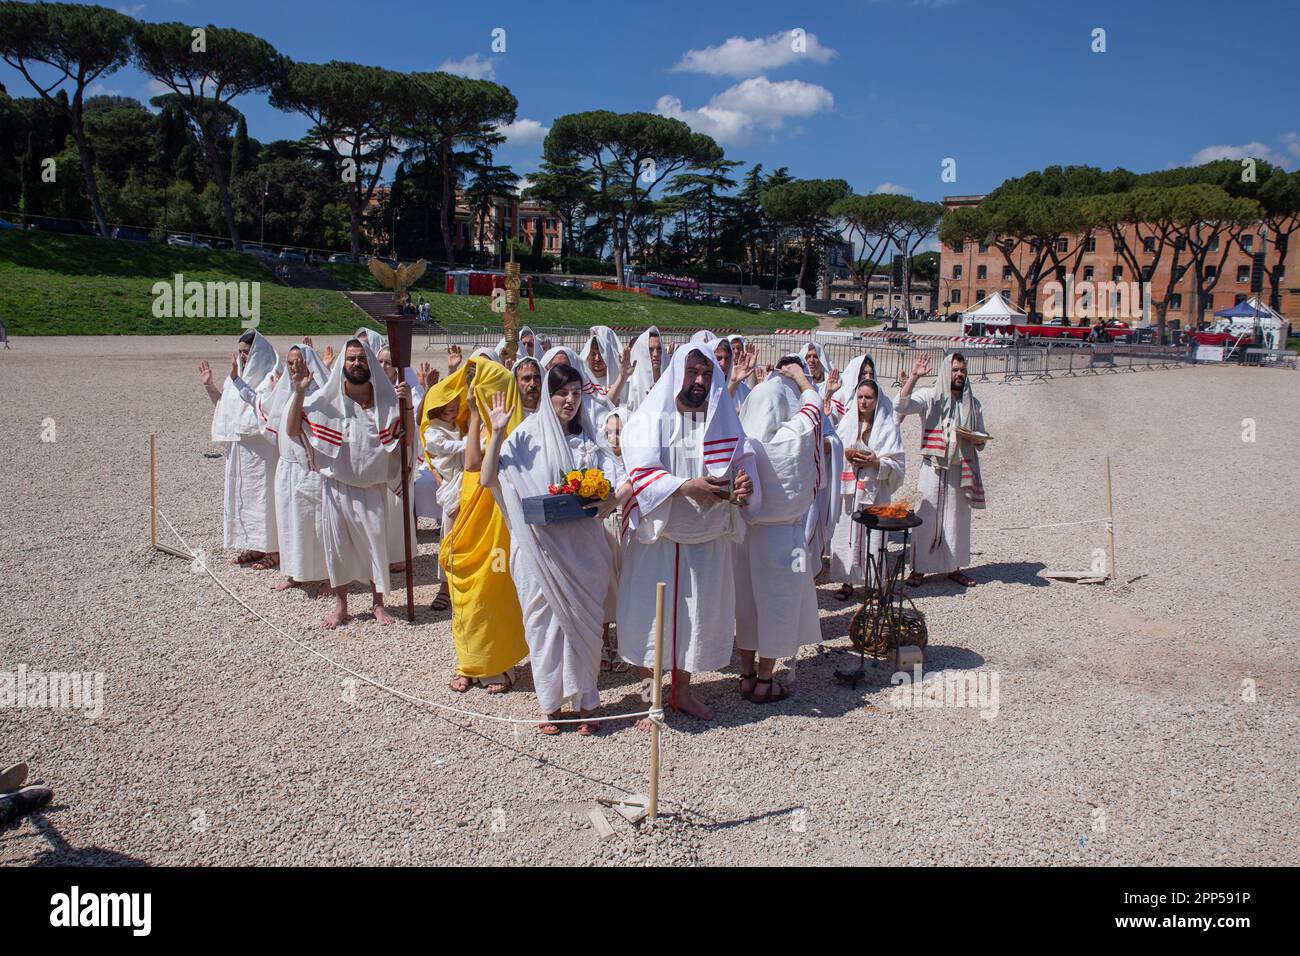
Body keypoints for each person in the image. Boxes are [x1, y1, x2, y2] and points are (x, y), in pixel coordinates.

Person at [480, 363, 629, 735]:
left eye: (576, 393)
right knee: (544, 627)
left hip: (582, 550)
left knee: (585, 623)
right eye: (563, 393)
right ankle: (551, 706)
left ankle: (587, 702)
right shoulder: (524, 436)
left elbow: (624, 478)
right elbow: (487, 479)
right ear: (549, 395)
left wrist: (611, 500)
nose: (570, 401)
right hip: (537, 551)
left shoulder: (587, 440)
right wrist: (497, 432)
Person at [616, 344, 758, 724]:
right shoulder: (654, 415)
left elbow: (742, 461)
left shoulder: (721, 416)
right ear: (680, 370)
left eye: (707, 373)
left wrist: (744, 486)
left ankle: (682, 693)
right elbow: (639, 468)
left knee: (694, 620)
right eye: (693, 371)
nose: (699, 380)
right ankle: (650, 697)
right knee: (651, 620)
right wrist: (684, 486)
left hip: (706, 536)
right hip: (660, 536)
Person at [286, 338, 412, 628]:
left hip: (373, 489)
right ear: (344, 364)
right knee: (338, 549)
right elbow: (293, 429)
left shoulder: (387, 401)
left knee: (375, 548)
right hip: (336, 487)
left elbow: (407, 440)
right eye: (351, 359)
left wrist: (407, 406)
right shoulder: (327, 403)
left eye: (362, 359)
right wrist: (300, 391)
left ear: (369, 364)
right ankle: (342, 605)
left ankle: (378, 604)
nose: (356, 364)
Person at [734, 358, 824, 703]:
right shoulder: (792, 436)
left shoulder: (743, 440)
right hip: (784, 536)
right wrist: (801, 379)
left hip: (746, 533)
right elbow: (813, 406)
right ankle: (765, 680)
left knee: (747, 605)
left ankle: (745, 674)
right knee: (778, 604)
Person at [442, 355, 529, 693]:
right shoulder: (477, 421)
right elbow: (473, 463)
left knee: (495, 590)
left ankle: (499, 664)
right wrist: (476, 414)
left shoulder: (518, 426)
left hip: (500, 519)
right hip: (474, 516)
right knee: (467, 590)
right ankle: (468, 662)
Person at [895, 353, 987, 587]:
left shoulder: (973, 403)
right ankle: (918, 568)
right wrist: (914, 377)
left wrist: (976, 440)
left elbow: (982, 440)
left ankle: (953, 567)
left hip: (960, 468)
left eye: (962, 370)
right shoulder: (930, 396)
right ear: (947, 371)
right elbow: (901, 405)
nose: (959, 375)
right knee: (927, 517)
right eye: (955, 370)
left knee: (957, 520)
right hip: (933, 467)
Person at [200, 330, 281, 569]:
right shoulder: (234, 377)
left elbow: (264, 408)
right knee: (247, 497)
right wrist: (209, 385)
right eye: (241, 352)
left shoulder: (271, 377)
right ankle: (257, 543)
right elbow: (223, 407)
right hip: (240, 449)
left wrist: (238, 379)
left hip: (264, 449)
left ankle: (275, 548)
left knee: (267, 496)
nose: (243, 357)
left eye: (247, 352)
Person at [826, 377, 905, 599]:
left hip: (874, 491)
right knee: (846, 534)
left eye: (868, 397)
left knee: (873, 538)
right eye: (860, 397)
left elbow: (898, 463)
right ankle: (846, 581)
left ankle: (873, 584)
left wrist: (876, 462)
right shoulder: (847, 423)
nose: (863, 402)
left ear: (877, 400)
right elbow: (837, 448)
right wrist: (847, 454)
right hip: (849, 490)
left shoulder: (887, 426)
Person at [267, 342, 331, 595]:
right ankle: (295, 572)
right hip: (287, 468)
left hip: (309, 469)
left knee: (316, 524)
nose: (294, 366)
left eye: (299, 361)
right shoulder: (288, 392)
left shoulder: (320, 396)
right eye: (290, 362)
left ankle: (329, 576)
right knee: (290, 523)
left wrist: (302, 390)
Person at [623, 325, 664, 411]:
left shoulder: (670, 379)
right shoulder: (632, 384)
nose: (655, 354)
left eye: (659, 349)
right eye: (651, 350)